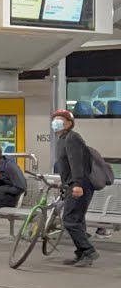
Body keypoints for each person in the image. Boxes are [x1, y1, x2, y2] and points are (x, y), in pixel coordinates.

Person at [52, 109, 98, 267]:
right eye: (55, 119)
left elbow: (77, 163)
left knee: (70, 220)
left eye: (60, 119)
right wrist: (64, 183)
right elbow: (66, 165)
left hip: (80, 185)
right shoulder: (62, 139)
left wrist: (77, 184)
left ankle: (88, 251)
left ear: (69, 123)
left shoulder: (72, 138)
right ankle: (81, 253)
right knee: (77, 219)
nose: (56, 122)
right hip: (72, 184)